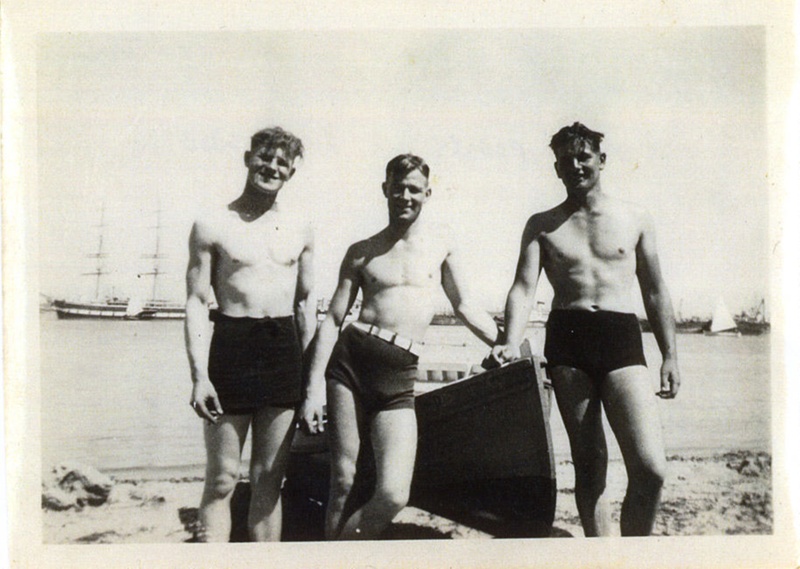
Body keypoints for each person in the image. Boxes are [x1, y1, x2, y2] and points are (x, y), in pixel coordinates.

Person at [491, 123, 681, 537]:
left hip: (620, 337)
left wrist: (670, 355)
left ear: (602, 160)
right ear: (556, 169)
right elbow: (524, 289)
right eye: (565, 161)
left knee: (650, 468)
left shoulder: (635, 219)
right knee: (590, 464)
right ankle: (601, 555)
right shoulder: (542, 225)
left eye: (584, 157)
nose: (575, 166)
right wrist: (508, 341)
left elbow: (654, 289)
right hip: (568, 340)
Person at [303, 154, 499, 540]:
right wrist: (311, 391)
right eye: (398, 188)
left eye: (414, 189)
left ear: (428, 193)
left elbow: (465, 306)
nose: (405, 195)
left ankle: (341, 553)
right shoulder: (362, 250)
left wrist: (505, 341)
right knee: (343, 479)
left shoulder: (441, 246)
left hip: (399, 375)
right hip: (349, 366)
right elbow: (331, 320)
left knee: (393, 493)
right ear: (385, 190)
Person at [184, 126, 319, 542]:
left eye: (281, 162)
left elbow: (306, 306)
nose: (271, 167)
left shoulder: (301, 227)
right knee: (222, 478)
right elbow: (194, 301)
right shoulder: (211, 224)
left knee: (268, 479)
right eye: (265, 157)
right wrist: (199, 376)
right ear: (248, 158)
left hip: (283, 351)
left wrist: (313, 387)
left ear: (291, 172)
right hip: (231, 347)